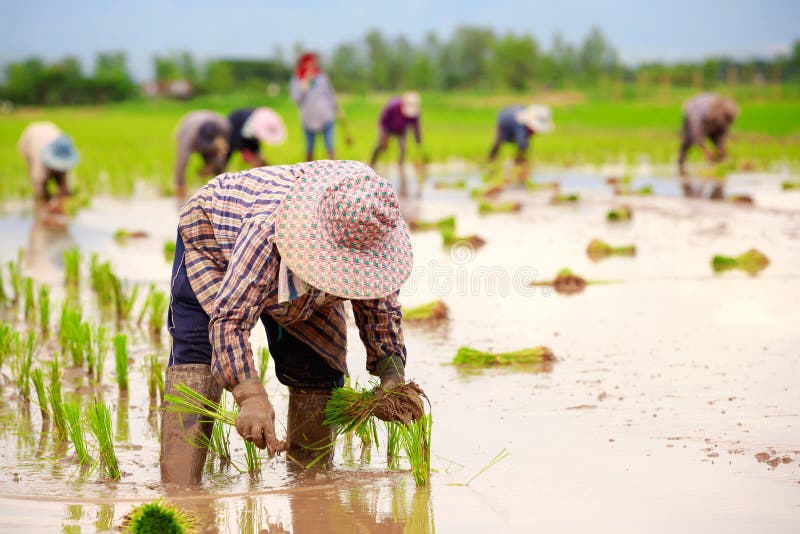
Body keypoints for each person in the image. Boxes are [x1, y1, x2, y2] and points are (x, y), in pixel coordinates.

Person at [160, 159, 423, 485]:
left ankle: (309, 484)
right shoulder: (266, 229)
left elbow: (380, 308)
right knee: (198, 359)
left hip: (297, 265)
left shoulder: (372, 229)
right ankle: (180, 491)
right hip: (215, 243)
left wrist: (392, 375)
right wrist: (250, 395)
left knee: (318, 366)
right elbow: (230, 318)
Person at [370, 92, 422, 197]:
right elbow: (382, 121)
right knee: (381, 145)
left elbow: (416, 126)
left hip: (401, 129)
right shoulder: (392, 106)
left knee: (403, 147)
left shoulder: (414, 114)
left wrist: (417, 138)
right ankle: (372, 163)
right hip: (387, 126)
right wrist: (385, 137)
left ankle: (400, 166)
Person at [289, 53, 339, 161]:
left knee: (330, 146)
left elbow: (330, 94)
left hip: (325, 116)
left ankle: (334, 172)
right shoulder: (297, 79)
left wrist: (336, 108)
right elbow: (296, 99)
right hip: (308, 118)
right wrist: (306, 82)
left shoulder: (321, 77)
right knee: (309, 148)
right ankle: (308, 174)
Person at [17, 121, 80, 204]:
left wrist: (64, 195)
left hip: (50, 131)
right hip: (29, 140)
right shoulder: (38, 156)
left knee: (62, 182)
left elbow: (65, 184)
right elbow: (38, 187)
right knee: (41, 186)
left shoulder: (63, 145)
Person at [678, 93, 739, 177]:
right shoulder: (697, 112)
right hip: (693, 117)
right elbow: (695, 132)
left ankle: (719, 166)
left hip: (711, 117)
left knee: (721, 150)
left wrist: (721, 148)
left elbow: (721, 134)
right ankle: (681, 163)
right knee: (687, 141)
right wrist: (704, 149)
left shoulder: (725, 113)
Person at [173, 110, 231, 197]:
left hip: (211, 122)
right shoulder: (188, 139)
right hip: (188, 126)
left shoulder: (224, 127)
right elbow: (181, 163)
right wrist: (180, 185)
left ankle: (221, 192)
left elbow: (223, 153)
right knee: (183, 163)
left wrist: (212, 166)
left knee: (219, 169)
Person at [488, 104, 554, 164]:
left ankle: (519, 159)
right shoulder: (520, 124)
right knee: (498, 141)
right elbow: (522, 142)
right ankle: (491, 158)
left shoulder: (524, 118)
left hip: (510, 116)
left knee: (523, 144)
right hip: (505, 122)